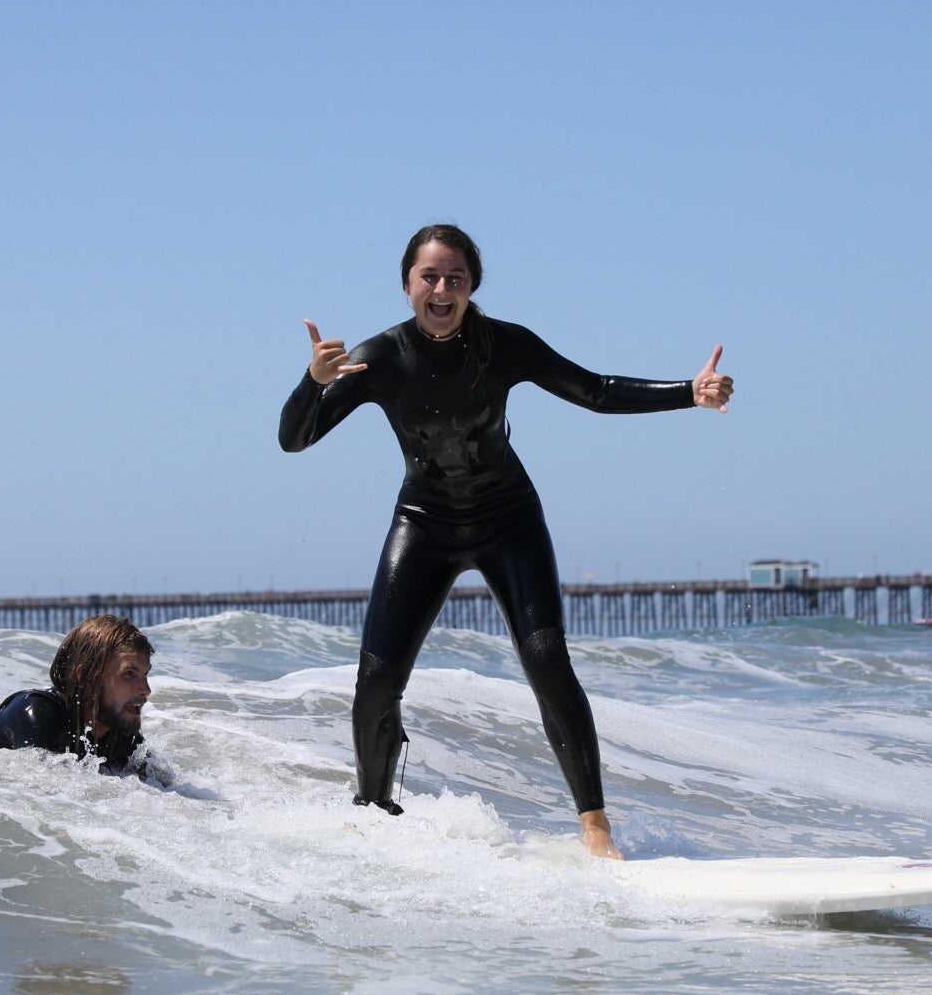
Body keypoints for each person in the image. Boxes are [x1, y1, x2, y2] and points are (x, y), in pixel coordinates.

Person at [280, 224, 733, 859]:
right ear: (407, 285)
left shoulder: (503, 346)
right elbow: (294, 440)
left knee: (548, 663)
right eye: (429, 277)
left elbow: (595, 392)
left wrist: (689, 393)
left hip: (507, 519)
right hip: (425, 522)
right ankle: (375, 812)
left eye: (455, 278)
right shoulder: (377, 358)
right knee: (376, 680)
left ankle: (595, 827)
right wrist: (312, 381)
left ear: (472, 286)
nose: (442, 290)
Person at [0, 614, 154, 773]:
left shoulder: (123, 735)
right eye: (129, 674)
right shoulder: (36, 713)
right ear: (87, 678)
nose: (146, 690)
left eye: (145, 674)